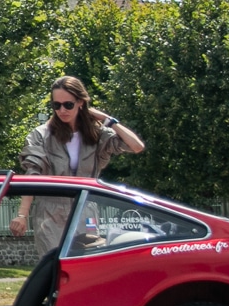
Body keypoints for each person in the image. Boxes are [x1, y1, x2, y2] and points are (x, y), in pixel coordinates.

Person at [9, 76, 144, 247]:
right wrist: (22, 214)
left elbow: (136, 146)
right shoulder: (41, 135)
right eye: (56, 105)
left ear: (80, 102)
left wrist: (108, 120)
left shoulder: (97, 134)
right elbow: (32, 175)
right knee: (54, 261)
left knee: (86, 260)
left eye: (68, 105)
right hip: (50, 212)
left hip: (85, 209)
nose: (62, 110)